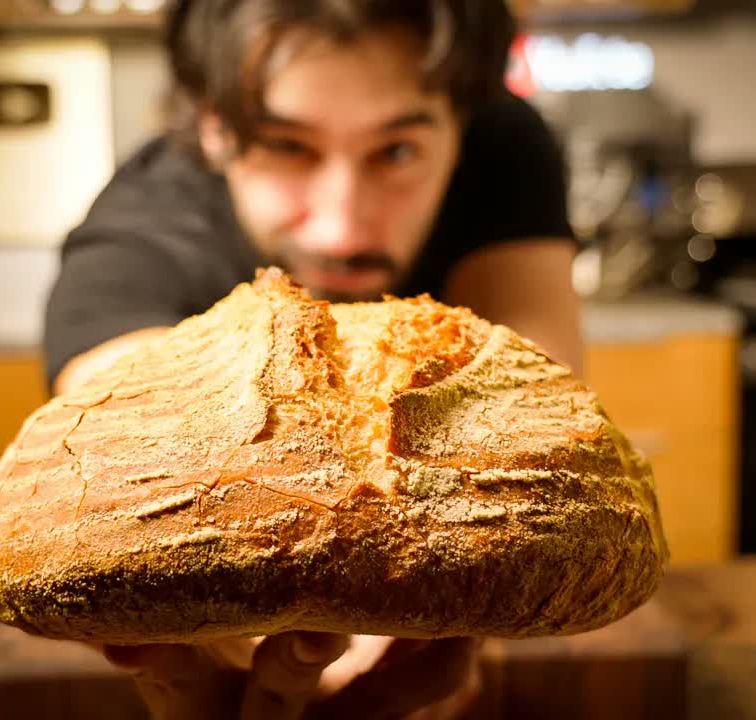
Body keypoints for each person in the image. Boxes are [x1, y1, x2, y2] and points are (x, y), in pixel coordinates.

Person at [44, 1, 581, 717]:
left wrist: (410, 612)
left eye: (397, 152)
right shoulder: (145, 221)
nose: (341, 227)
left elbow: (538, 414)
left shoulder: (504, 143)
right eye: (287, 147)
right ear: (214, 126)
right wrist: (241, 626)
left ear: (463, 124)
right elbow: (114, 466)